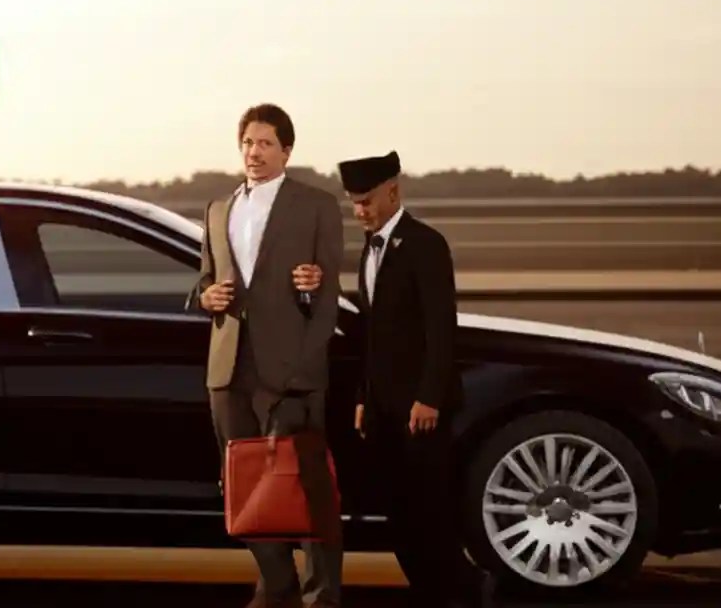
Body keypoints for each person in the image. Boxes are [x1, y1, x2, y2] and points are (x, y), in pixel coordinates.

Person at [295, 151, 497, 608]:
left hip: (419, 409)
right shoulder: (370, 250)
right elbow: (374, 337)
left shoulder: (425, 244)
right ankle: (431, 593)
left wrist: (428, 398)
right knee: (401, 515)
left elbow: (441, 330)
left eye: (366, 201)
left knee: (428, 511)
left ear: (393, 191)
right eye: (353, 203)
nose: (360, 211)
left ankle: (468, 592)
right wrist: (366, 396)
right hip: (384, 408)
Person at [197, 103, 345, 608]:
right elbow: (204, 278)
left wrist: (302, 372)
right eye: (247, 143)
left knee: (308, 489)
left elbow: (327, 300)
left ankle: (321, 595)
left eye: (264, 144)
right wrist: (205, 296)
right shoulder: (218, 209)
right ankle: (277, 585)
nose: (253, 152)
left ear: (286, 150)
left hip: (291, 373)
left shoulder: (316, 206)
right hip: (229, 368)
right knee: (246, 490)